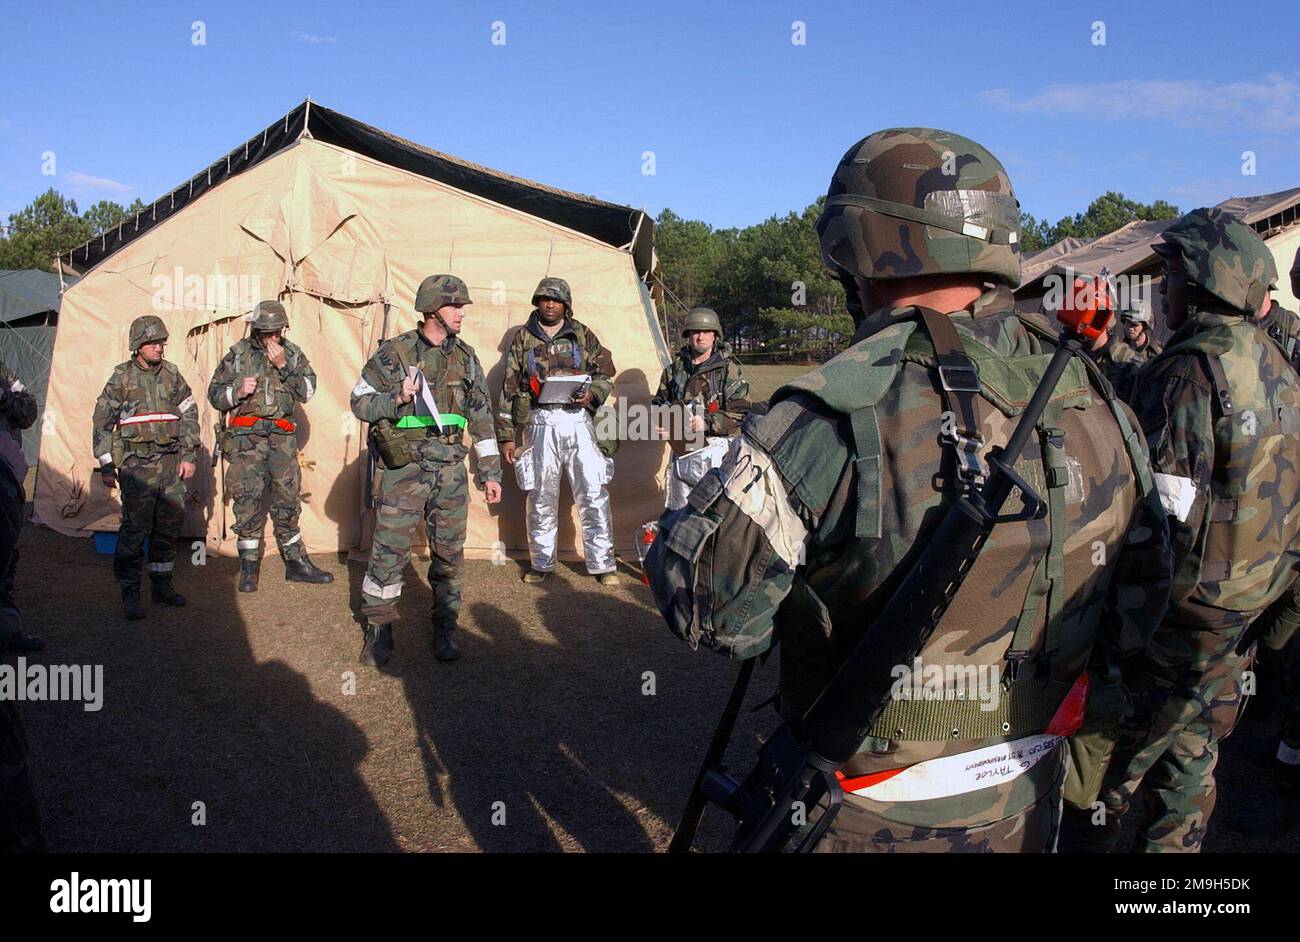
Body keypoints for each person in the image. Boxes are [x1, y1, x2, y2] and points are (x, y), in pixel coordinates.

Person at [646, 127, 1172, 852]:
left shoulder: (833, 407)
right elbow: (1143, 605)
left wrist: (679, 526)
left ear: (862, 245)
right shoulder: (1099, 398)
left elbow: (715, 615)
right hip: (1030, 796)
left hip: (864, 810)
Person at [1070, 208, 1300, 852]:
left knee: (1100, 782)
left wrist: (1111, 641)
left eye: (1168, 274)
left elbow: (1153, 524)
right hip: (1237, 625)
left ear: (1199, 285)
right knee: (1191, 761)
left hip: (1171, 628)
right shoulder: (1281, 370)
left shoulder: (1187, 374)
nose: (1161, 291)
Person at [350, 275, 502, 666]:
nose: (462, 313)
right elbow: (359, 402)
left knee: (449, 554)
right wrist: (395, 397)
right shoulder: (394, 354)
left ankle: (445, 629)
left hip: (450, 471)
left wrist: (491, 472)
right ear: (433, 309)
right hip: (404, 470)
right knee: (389, 552)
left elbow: (482, 418)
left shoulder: (466, 356)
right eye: (455, 306)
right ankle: (379, 630)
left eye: (462, 307)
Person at [496, 277, 619, 585]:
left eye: (556, 299)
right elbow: (508, 388)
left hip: (578, 421)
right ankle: (541, 562)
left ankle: (603, 564)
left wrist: (592, 395)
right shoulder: (523, 338)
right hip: (539, 423)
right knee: (540, 496)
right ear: (537, 303)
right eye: (544, 299)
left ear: (566, 304)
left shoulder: (581, 334)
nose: (550, 304)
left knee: (592, 492)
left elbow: (606, 373)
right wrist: (507, 436)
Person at [208, 299, 332, 592]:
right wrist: (235, 392)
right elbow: (214, 394)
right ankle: (249, 564)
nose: (273, 338)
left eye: (277, 332)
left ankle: (295, 562)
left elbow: (308, 390)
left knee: (287, 498)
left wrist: (284, 366)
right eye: (267, 333)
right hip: (246, 440)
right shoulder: (237, 356)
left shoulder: (292, 354)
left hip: (282, 439)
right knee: (246, 498)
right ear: (255, 330)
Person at [92, 315, 199, 619]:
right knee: (135, 531)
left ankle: (162, 585)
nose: (159, 347)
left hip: (171, 464)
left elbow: (190, 414)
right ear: (138, 345)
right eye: (153, 342)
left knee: (168, 527)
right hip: (136, 468)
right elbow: (102, 421)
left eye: (162, 342)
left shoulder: (173, 375)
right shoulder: (121, 379)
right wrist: (107, 465)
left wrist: (189, 454)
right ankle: (129, 590)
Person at [651, 306, 751, 509]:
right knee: (677, 511)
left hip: (716, 450)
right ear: (688, 336)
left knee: (713, 511)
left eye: (706, 332)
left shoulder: (727, 370)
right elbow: (659, 403)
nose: (701, 337)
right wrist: (661, 423)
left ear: (715, 336)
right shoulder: (674, 371)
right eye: (695, 332)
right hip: (681, 451)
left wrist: (705, 422)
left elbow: (741, 412)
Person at [0, 356, 41, 651]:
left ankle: (8, 632)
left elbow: (28, 412)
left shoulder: (4, 372)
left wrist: (4, 400)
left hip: (5, 480)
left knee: (4, 558)